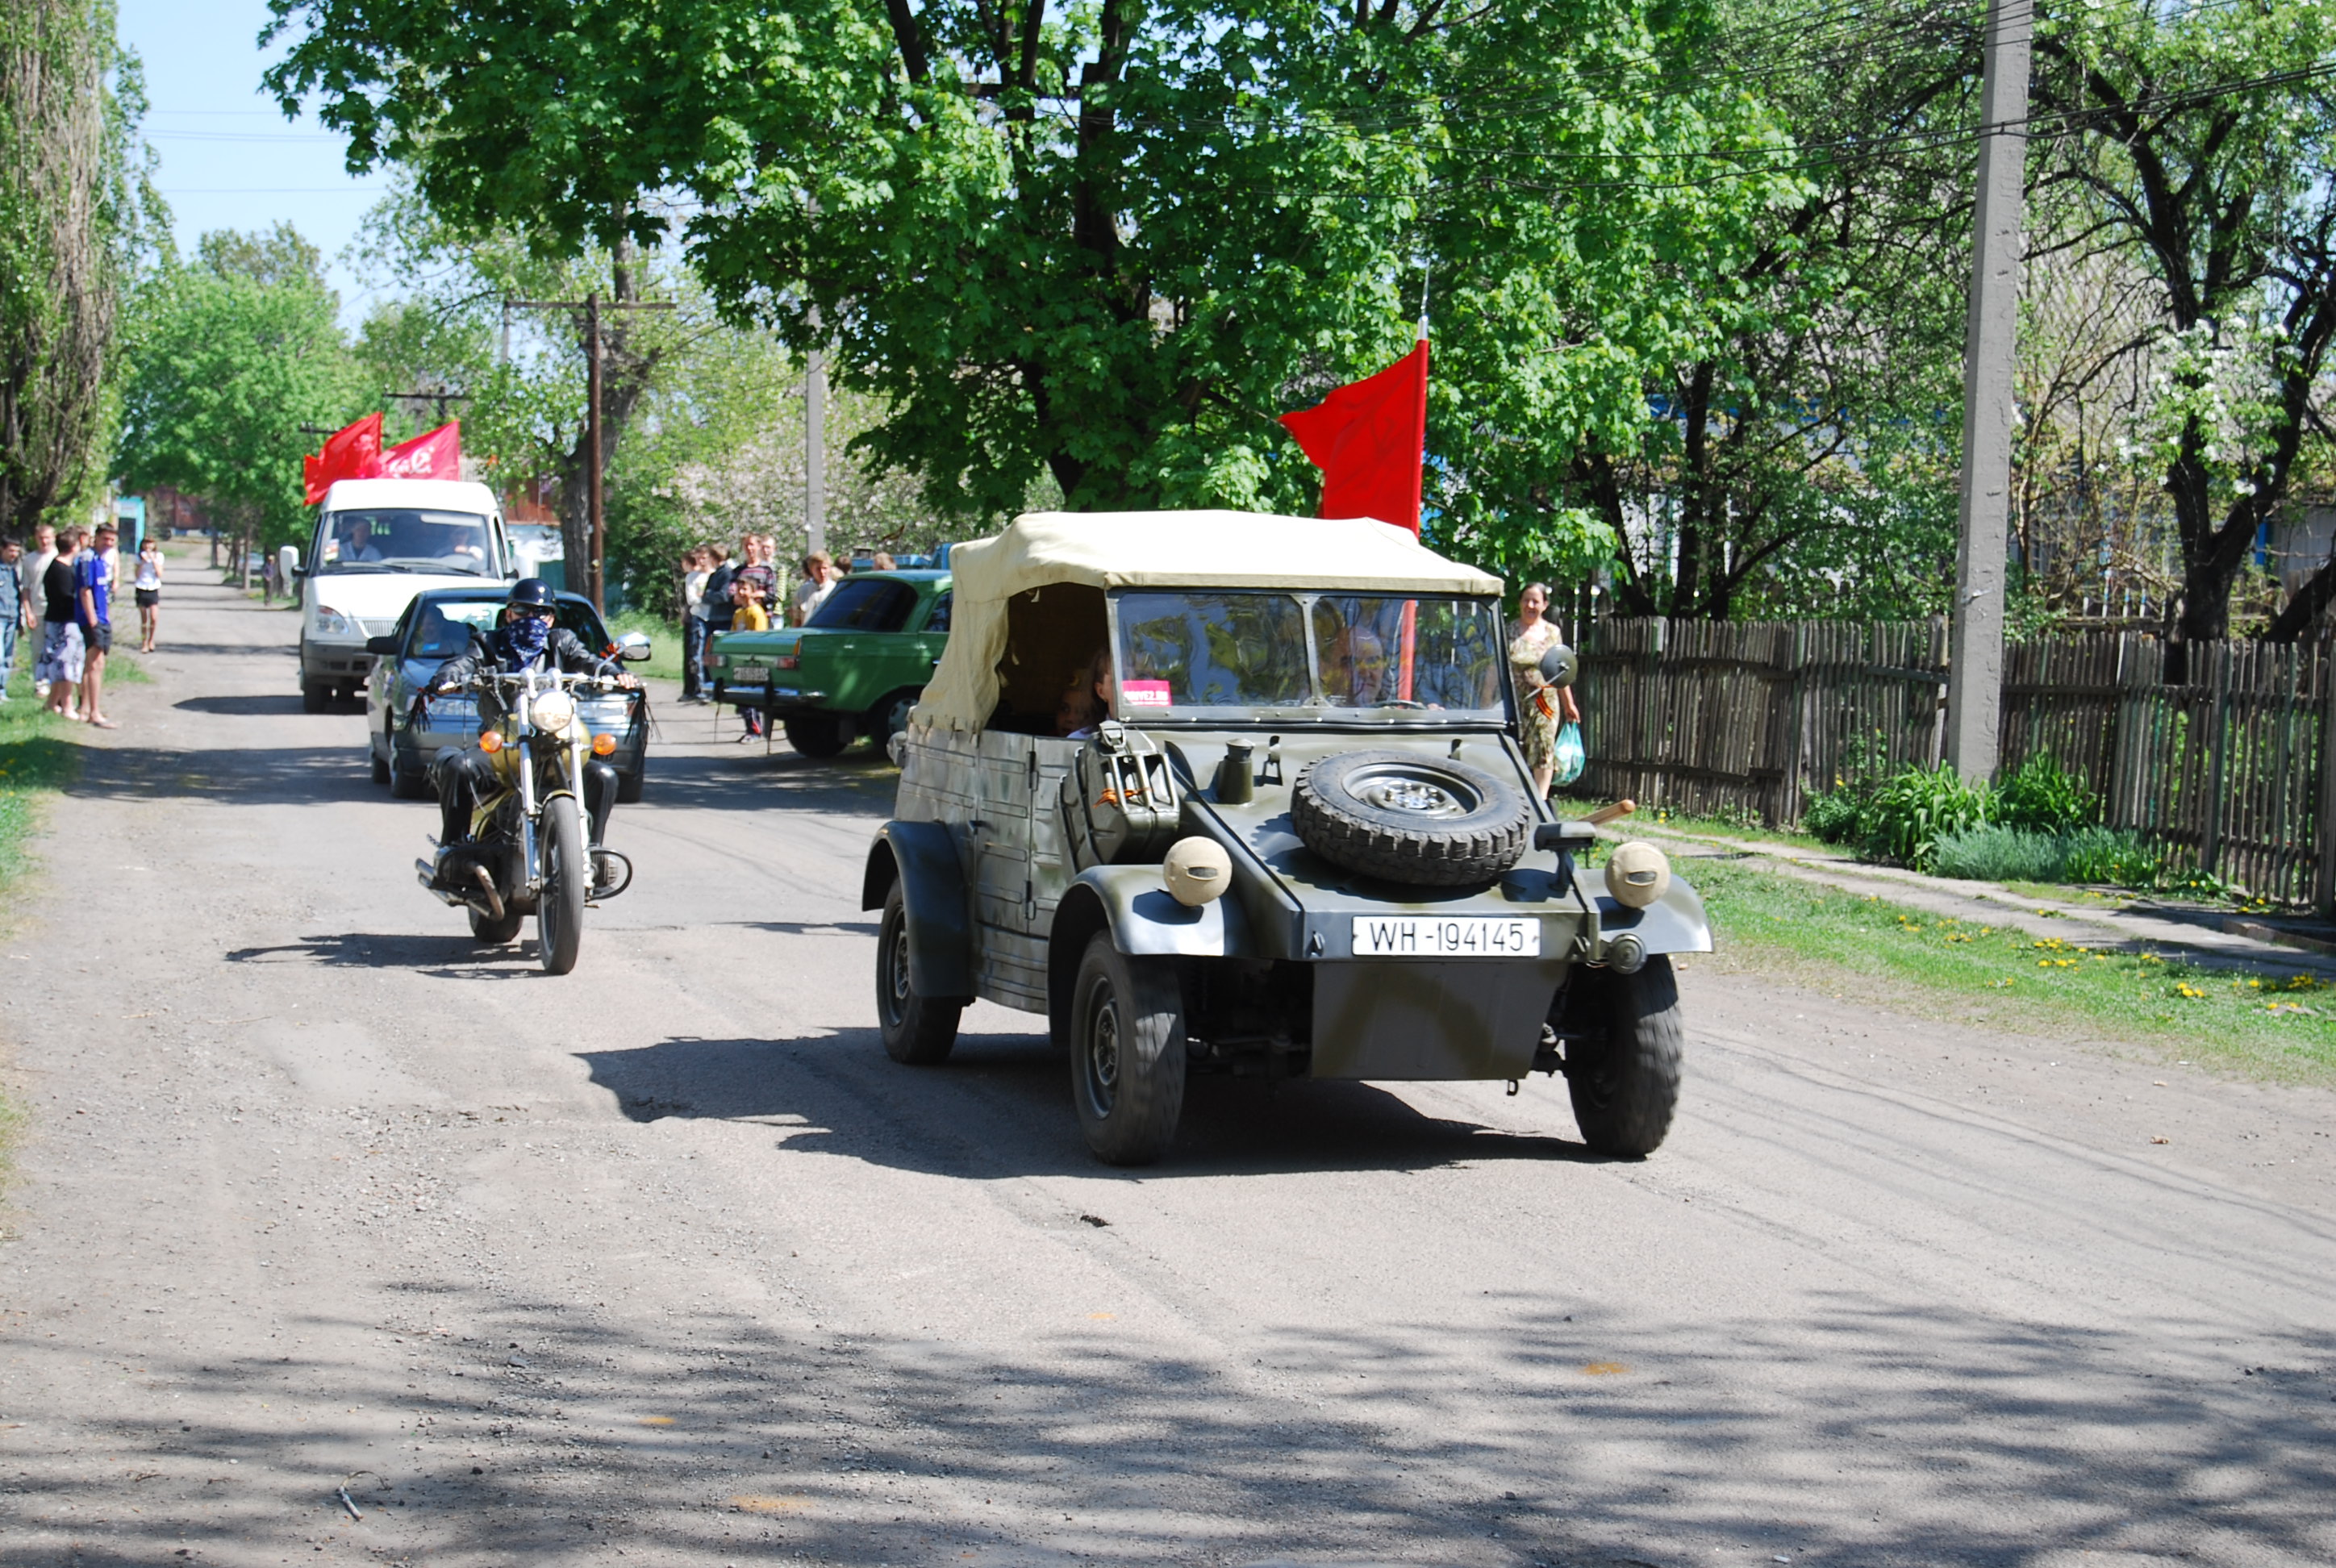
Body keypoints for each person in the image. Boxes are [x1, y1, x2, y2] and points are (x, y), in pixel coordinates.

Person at [423, 578, 640, 893]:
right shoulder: (487, 643)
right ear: (509, 614)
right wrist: (450, 676)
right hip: (504, 742)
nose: (532, 619)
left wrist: (613, 673)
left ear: (551, 618)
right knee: (460, 767)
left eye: (541, 613)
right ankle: (452, 851)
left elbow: (587, 661)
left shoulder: (562, 642)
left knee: (604, 775)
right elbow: (464, 662)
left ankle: (590, 854)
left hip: (554, 740)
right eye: (522, 611)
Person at [1508, 582, 1579, 799]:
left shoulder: (1552, 633)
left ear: (1545, 605)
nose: (1530, 605)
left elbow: (1562, 670)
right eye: (1526, 600)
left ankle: (1540, 800)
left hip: (1545, 703)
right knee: (1517, 747)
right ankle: (1517, 797)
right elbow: (1495, 669)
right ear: (1520, 603)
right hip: (1515, 701)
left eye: (1535, 601)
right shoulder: (1509, 630)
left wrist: (1569, 704)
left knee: (1544, 747)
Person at [37, 528, 82, 719]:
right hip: (63, 622)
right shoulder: (60, 570)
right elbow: (67, 597)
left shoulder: (62, 567)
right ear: (74, 546)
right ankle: (67, 706)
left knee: (60, 664)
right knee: (66, 665)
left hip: (61, 621)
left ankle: (51, 704)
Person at [75, 523, 116, 728]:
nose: (108, 543)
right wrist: (93, 621)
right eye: (105, 539)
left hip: (102, 616)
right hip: (93, 619)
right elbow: (85, 591)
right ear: (96, 538)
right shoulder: (87, 559)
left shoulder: (101, 560)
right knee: (95, 664)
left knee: (94, 664)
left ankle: (85, 708)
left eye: (111, 540)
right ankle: (94, 712)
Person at [21, 523, 53, 699]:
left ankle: (55, 683)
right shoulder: (29, 559)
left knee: (55, 649)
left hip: (55, 610)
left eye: (47, 537)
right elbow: (25, 588)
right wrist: (28, 612)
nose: (44, 541)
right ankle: (40, 684)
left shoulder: (58, 556)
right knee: (37, 650)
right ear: (36, 538)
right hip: (37, 609)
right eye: (41, 538)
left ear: (53, 537)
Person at [1324, 624, 1390, 706]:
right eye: (1351, 663)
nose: (1366, 674)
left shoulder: (1399, 715)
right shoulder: (1317, 715)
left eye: (1373, 661)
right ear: (1328, 669)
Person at [679, 546, 712, 703]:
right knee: (696, 654)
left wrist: (704, 596)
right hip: (698, 617)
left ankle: (711, 687)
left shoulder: (714, 575)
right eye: (699, 558)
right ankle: (699, 689)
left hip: (714, 617)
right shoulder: (692, 577)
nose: (701, 561)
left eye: (704, 558)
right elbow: (692, 599)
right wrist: (709, 597)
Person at [1063, 647, 1114, 739]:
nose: (1130, 686)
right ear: (1101, 692)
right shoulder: (1080, 741)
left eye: (1140, 677)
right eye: (1117, 681)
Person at [133, 535, 163, 653]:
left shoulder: (159, 556)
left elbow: (159, 574)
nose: (148, 546)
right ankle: (144, 643)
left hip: (153, 587)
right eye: (146, 543)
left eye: (150, 543)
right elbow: (136, 574)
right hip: (141, 587)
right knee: (144, 618)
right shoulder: (138, 556)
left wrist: (153, 560)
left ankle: (151, 640)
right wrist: (142, 562)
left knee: (154, 617)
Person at [0, 537, 21, 703]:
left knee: (8, 657)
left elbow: (17, 596)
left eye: (16, 551)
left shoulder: (14, 570)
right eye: (11, 550)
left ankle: (2, 690)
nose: (14, 554)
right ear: (2, 550)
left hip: (12, 617)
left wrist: (20, 622)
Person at [790, 551, 836, 626]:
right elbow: (797, 620)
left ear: (829, 569)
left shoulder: (835, 590)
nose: (822, 572)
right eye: (818, 569)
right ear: (811, 569)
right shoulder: (803, 591)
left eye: (825, 568)